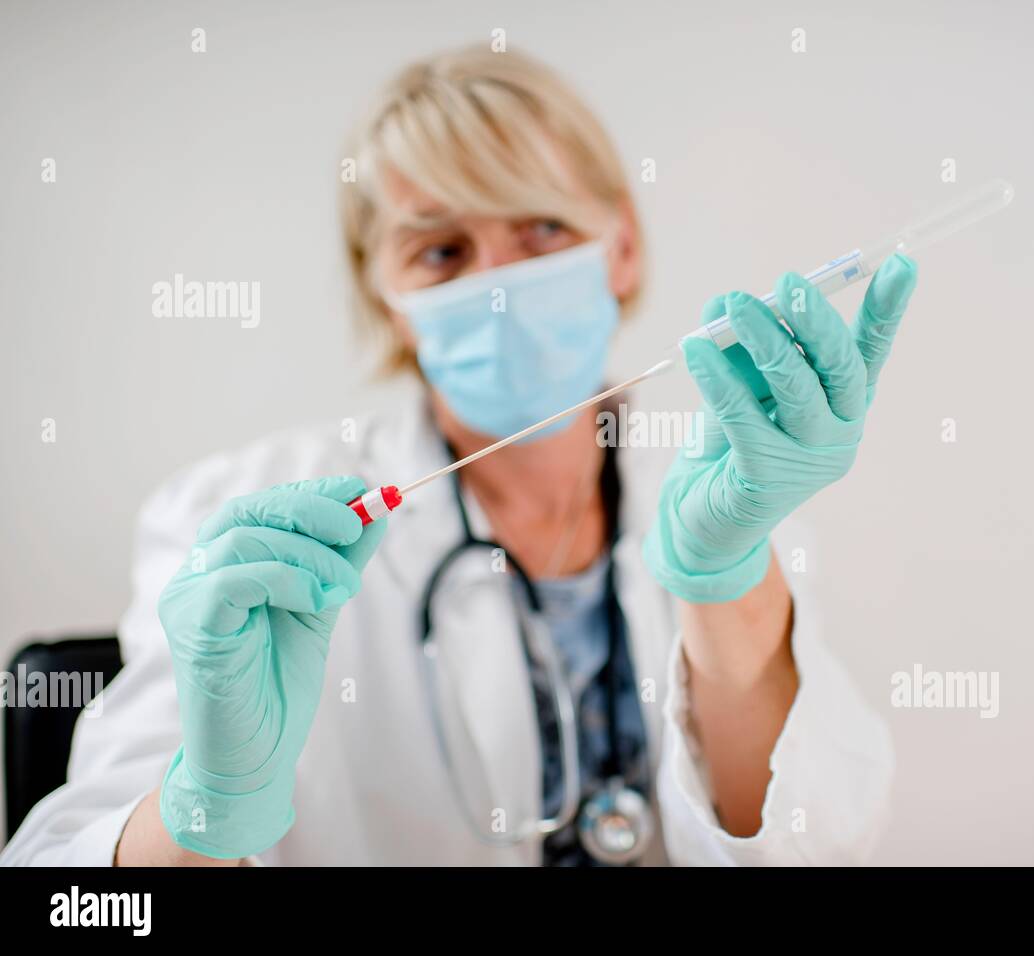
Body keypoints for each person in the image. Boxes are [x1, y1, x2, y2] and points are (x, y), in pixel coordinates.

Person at [1, 46, 915, 866]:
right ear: (383, 292)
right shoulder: (243, 518)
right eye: (442, 249)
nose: (498, 285)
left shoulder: (738, 482)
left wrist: (726, 578)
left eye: (542, 231)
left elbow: (813, 844)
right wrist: (208, 803)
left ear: (623, 250)